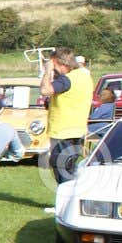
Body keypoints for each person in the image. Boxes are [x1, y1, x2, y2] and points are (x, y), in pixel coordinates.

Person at [41, 46, 95, 182]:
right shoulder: (84, 76)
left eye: (53, 64)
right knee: (69, 169)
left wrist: (47, 71)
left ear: (60, 63)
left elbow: (45, 90)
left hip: (62, 132)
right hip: (78, 129)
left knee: (61, 170)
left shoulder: (67, 80)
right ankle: (71, 201)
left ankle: (65, 202)